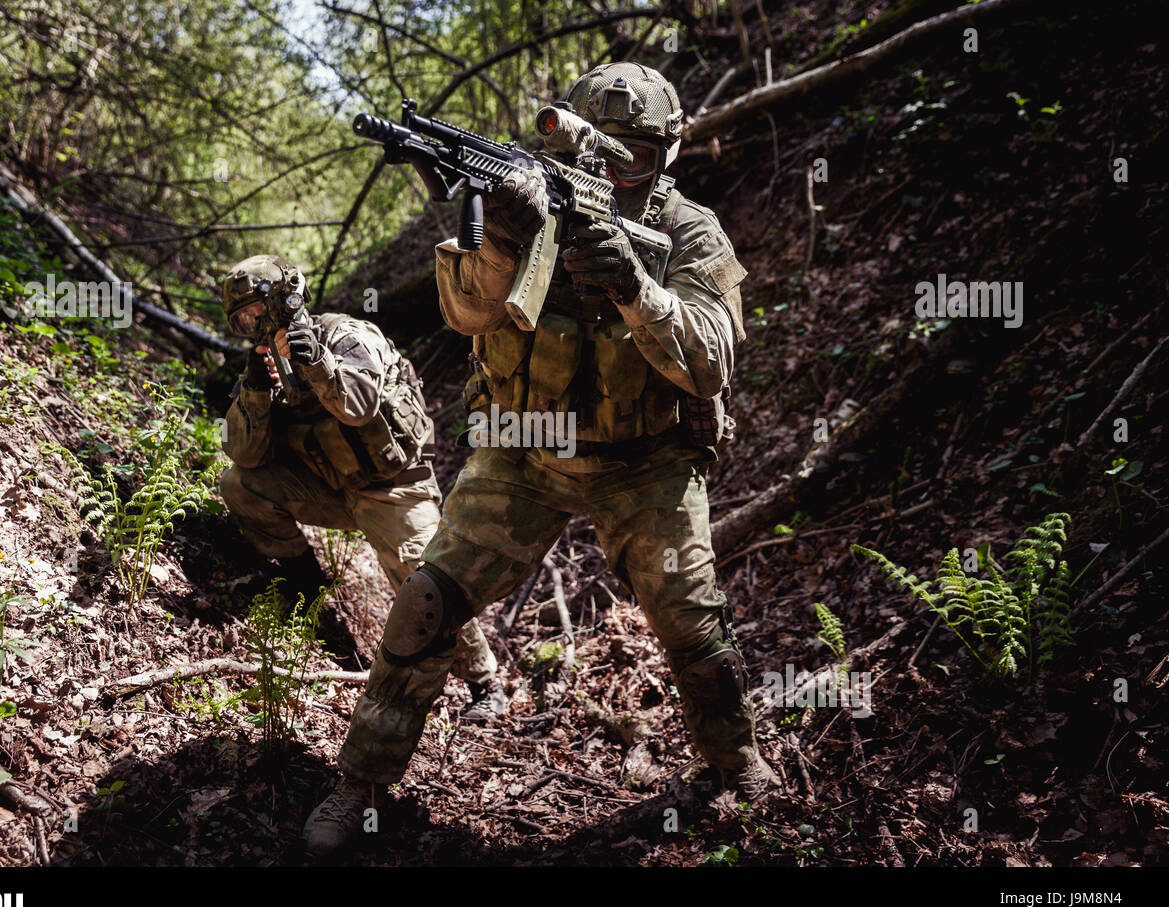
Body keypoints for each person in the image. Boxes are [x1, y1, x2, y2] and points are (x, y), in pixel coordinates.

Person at [305, 62, 777, 858]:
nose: (619, 170)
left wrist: (636, 286)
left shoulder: (691, 232)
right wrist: (505, 241)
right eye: (604, 152)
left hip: (645, 461)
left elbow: (712, 364)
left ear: (667, 155)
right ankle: (359, 783)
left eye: (639, 156)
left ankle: (740, 768)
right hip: (524, 451)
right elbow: (465, 313)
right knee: (426, 602)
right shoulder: (517, 198)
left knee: (694, 628)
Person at [217, 254, 506, 723]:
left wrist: (314, 363)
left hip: (392, 486)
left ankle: (483, 683)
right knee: (239, 485)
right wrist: (254, 388)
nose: (252, 325)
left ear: (284, 302)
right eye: (241, 320)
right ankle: (306, 587)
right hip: (328, 486)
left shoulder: (347, 335)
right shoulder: (264, 366)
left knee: (428, 578)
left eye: (257, 311)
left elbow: (360, 407)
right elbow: (244, 455)